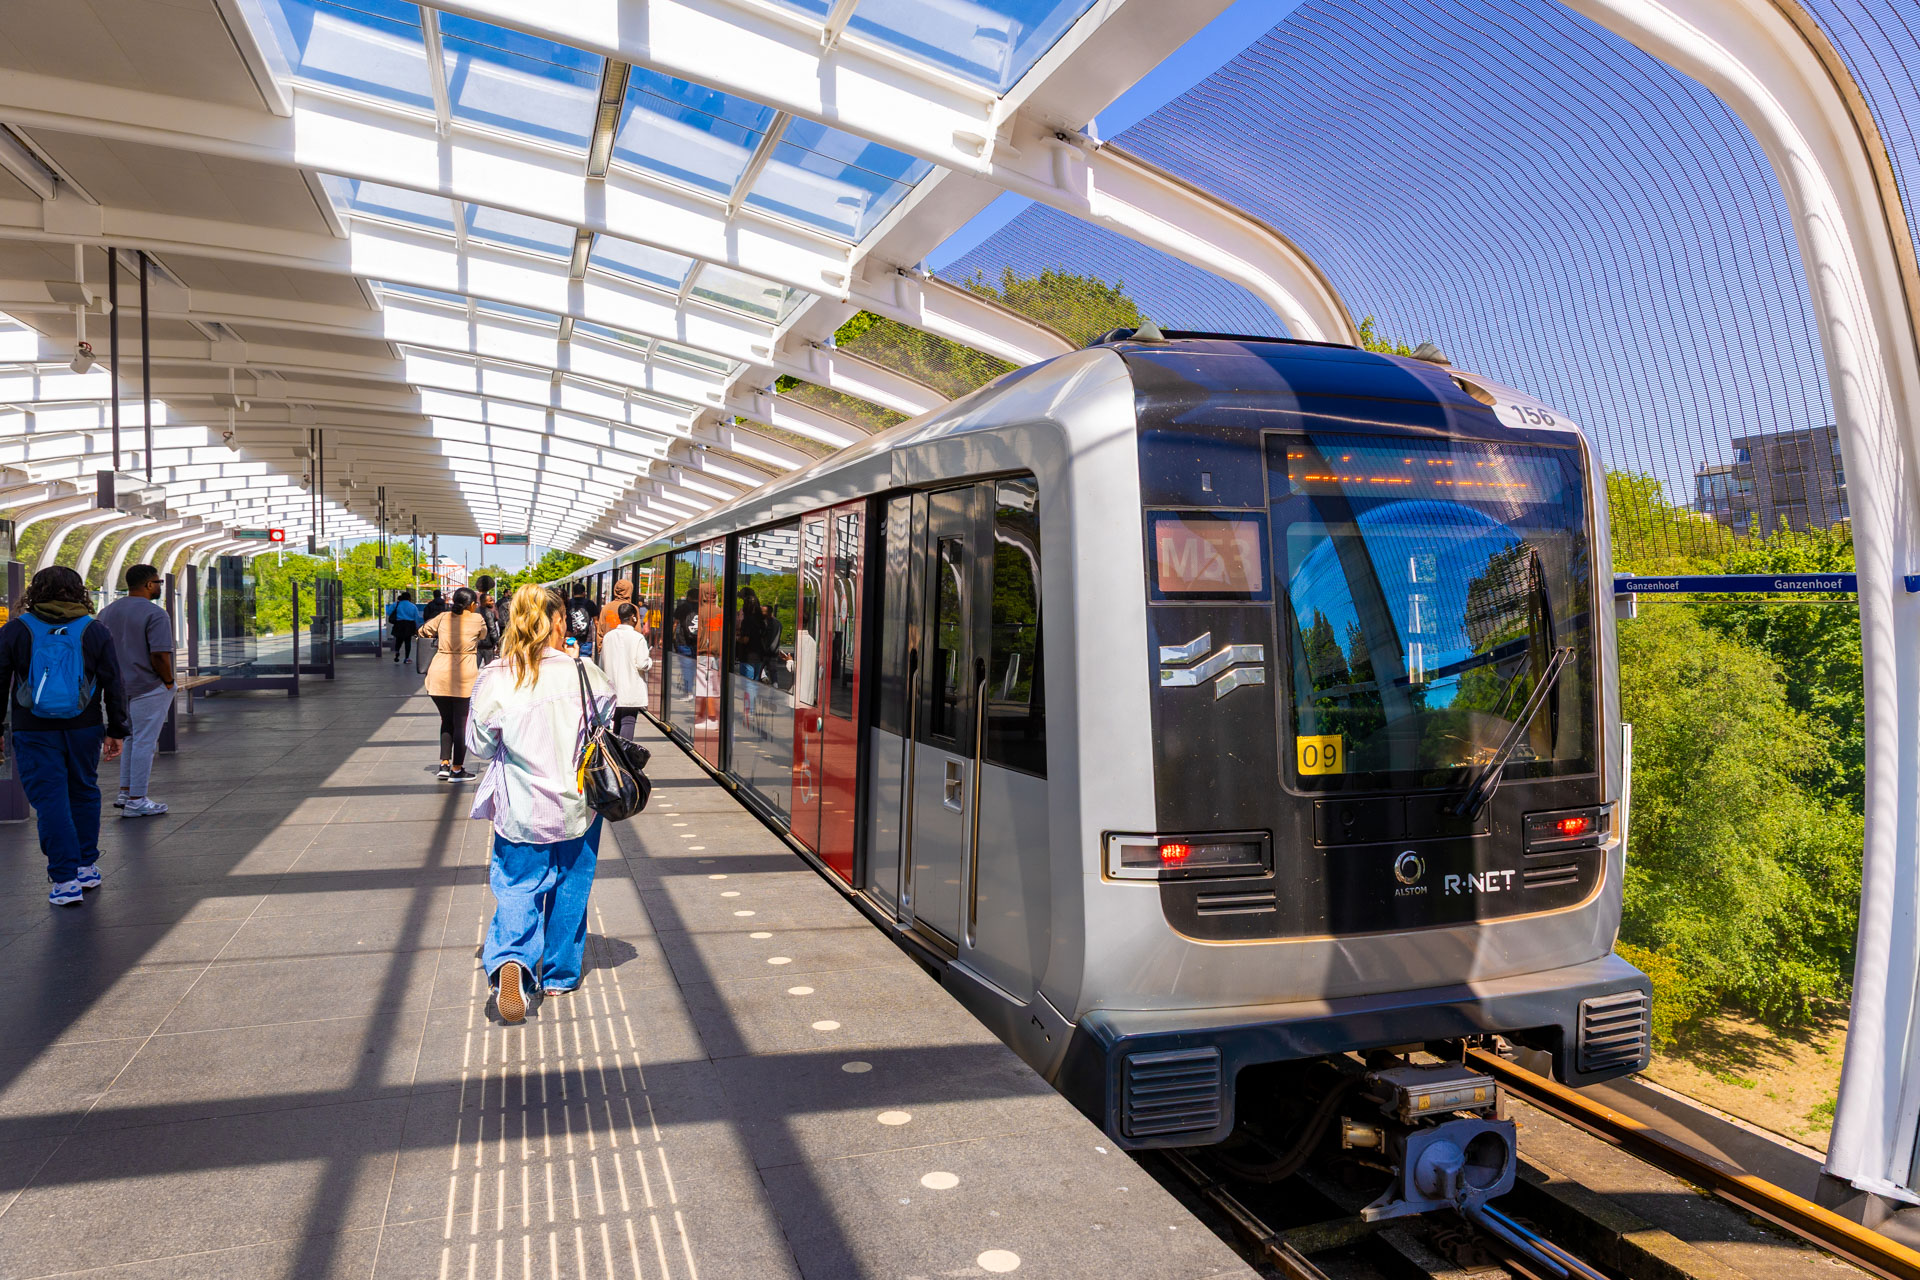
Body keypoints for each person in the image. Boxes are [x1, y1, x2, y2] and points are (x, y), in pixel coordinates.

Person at [467, 585, 615, 1022]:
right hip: (579, 803)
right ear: (556, 622)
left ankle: (512, 961)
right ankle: (559, 975)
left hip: (521, 806)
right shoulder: (583, 671)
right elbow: (604, 720)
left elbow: (478, 744)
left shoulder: (496, 676)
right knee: (572, 886)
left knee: (517, 886)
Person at [0, 567, 130, 906]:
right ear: (79, 591)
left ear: (35, 591)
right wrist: (116, 729)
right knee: (84, 792)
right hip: (84, 726)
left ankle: (64, 880)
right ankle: (85, 866)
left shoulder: (16, 629)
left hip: (33, 728)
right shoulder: (93, 629)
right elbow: (114, 683)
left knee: (50, 801)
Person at [96, 563, 175, 818]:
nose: (159, 588)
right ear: (149, 584)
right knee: (144, 741)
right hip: (148, 686)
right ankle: (137, 799)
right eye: (158, 583)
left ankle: (125, 791)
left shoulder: (106, 612)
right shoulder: (156, 614)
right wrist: (169, 682)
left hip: (118, 689)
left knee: (128, 737)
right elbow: (160, 655)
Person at [419, 586, 484, 782]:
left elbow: (422, 631)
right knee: (461, 723)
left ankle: (444, 765)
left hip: (438, 674)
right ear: (472, 604)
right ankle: (457, 769)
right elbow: (482, 635)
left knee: (446, 721)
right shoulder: (477, 619)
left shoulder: (442, 617)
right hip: (463, 675)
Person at [598, 601, 651, 739]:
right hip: (631, 688)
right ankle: (624, 756)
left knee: (616, 720)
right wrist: (649, 661)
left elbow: (601, 663)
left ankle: (616, 754)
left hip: (612, 686)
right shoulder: (638, 638)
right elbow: (642, 663)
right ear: (633, 617)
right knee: (628, 720)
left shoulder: (608, 637)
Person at [695, 579, 723, 729]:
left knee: (707, 686)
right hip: (717, 654)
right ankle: (702, 715)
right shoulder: (720, 611)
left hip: (704, 653)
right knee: (709, 684)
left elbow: (697, 634)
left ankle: (712, 718)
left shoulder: (701, 612)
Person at [597, 578, 633, 649]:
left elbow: (600, 631)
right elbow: (637, 631)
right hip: (627, 650)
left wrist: (601, 650)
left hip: (608, 649)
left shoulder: (606, 608)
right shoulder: (632, 608)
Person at [387, 591, 421, 665]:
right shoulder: (412, 606)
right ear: (409, 598)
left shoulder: (396, 604)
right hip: (409, 625)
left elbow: (389, 612)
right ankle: (407, 658)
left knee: (398, 640)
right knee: (407, 641)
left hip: (399, 624)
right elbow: (416, 617)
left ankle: (397, 651)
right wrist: (417, 628)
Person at [565, 584, 596, 659]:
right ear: (584, 593)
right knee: (585, 661)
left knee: (571, 660)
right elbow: (596, 621)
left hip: (571, 638)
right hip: (587, 639)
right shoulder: (589, 603)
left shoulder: (568, 603)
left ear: (573, 593)